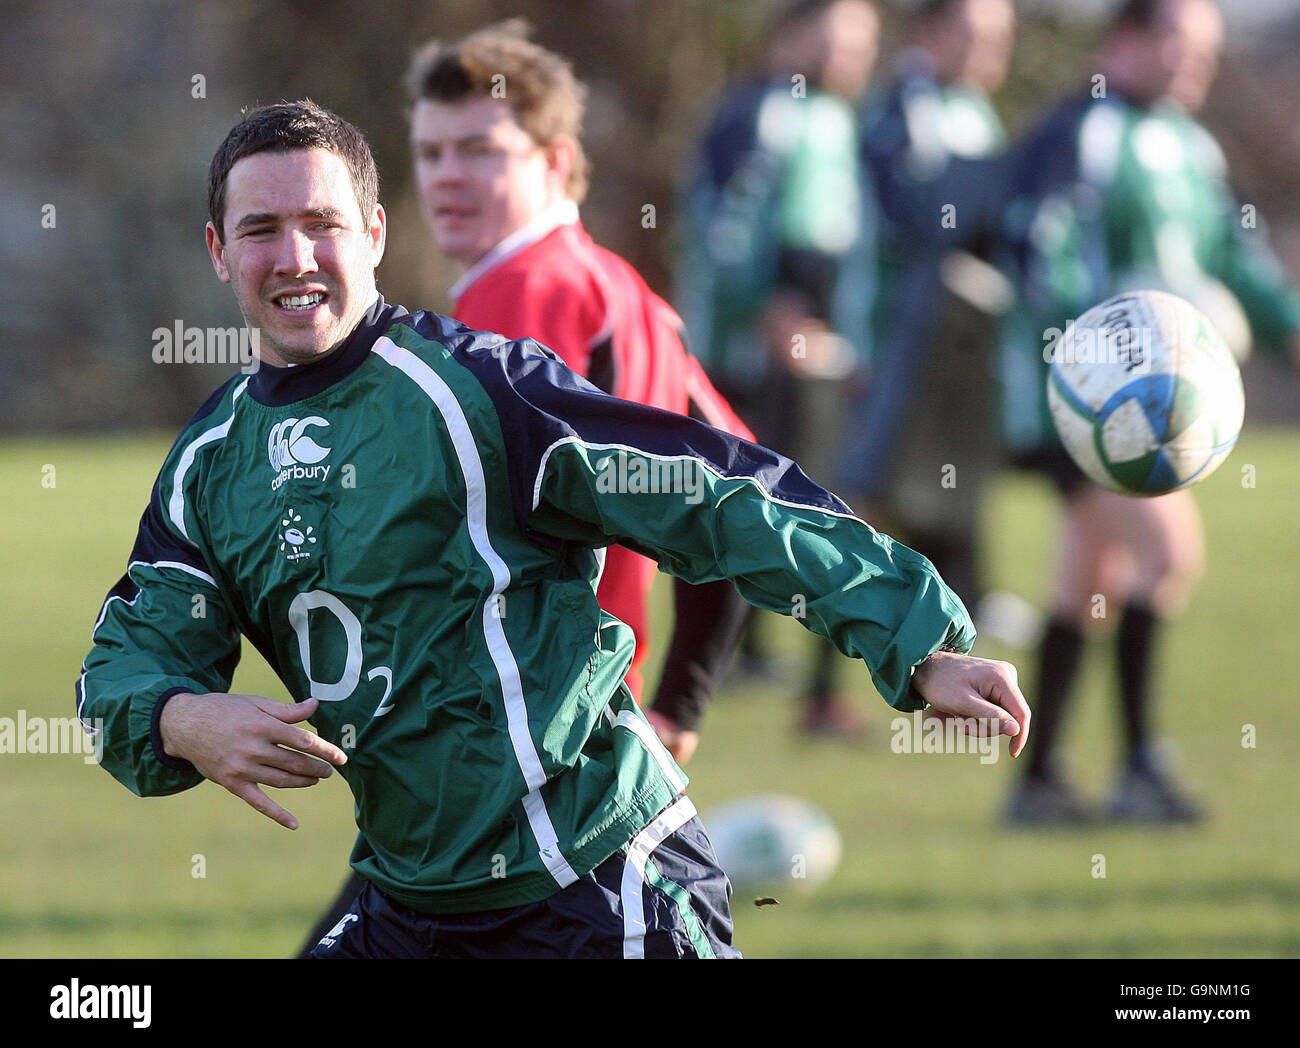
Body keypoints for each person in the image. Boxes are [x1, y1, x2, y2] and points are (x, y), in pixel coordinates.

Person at [76, 100, 1030, 959]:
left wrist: (915, 642)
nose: (293, 257)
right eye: (261, 231)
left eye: (321, 224)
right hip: (409, 904)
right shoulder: (210, 461)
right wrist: (179, 716)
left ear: (371, 233)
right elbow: (122, 665)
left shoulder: (483, 390)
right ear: (217, 250)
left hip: (598, 884)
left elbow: (714, 497)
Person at [296, 22, 756, 957]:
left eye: (480, 149)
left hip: (500, 754)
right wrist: (678, 708)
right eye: (429, 151)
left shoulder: (520, 295)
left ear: (558, 160)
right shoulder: (628, 292)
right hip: (586, 756)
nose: (446, 176)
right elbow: (737, 511)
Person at [998, 0, 1300, 824]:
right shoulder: (1079, 133)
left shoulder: (1189, 144)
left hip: (1151, 405)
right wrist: (1100, 348)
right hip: (1089, 406)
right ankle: (1138, 769)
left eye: (1206, 50)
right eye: (1180, 45)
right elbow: (1032, 247)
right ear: (1125, 41)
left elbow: (1234, 258)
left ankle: (1037, 783)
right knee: (1170, 557)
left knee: (1089, 580)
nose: (1195, 65)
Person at [677, 0, 882, 734]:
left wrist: (851, 339)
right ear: (793, 37)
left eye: (864, 40)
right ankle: (723, 663)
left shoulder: (838, 120)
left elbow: (849, 245)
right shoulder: (758, 115)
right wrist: (773, 316)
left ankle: (822, 686)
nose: (853, 53)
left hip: (821, 341)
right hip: (755, 353)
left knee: (832, 498)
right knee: (745, 501)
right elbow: (721, 230)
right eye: (839, 37)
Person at [839, 0, 1016, 612]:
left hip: (952, 337)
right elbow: (910, 222)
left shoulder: (972, 108)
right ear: (931, 33)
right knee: (872, 495)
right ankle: (825, 679)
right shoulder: (899, 111)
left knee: (940, 481)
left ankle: (957, 614)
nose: (992, 51)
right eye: (976, 36)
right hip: (895, 333)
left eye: (1001, 37)